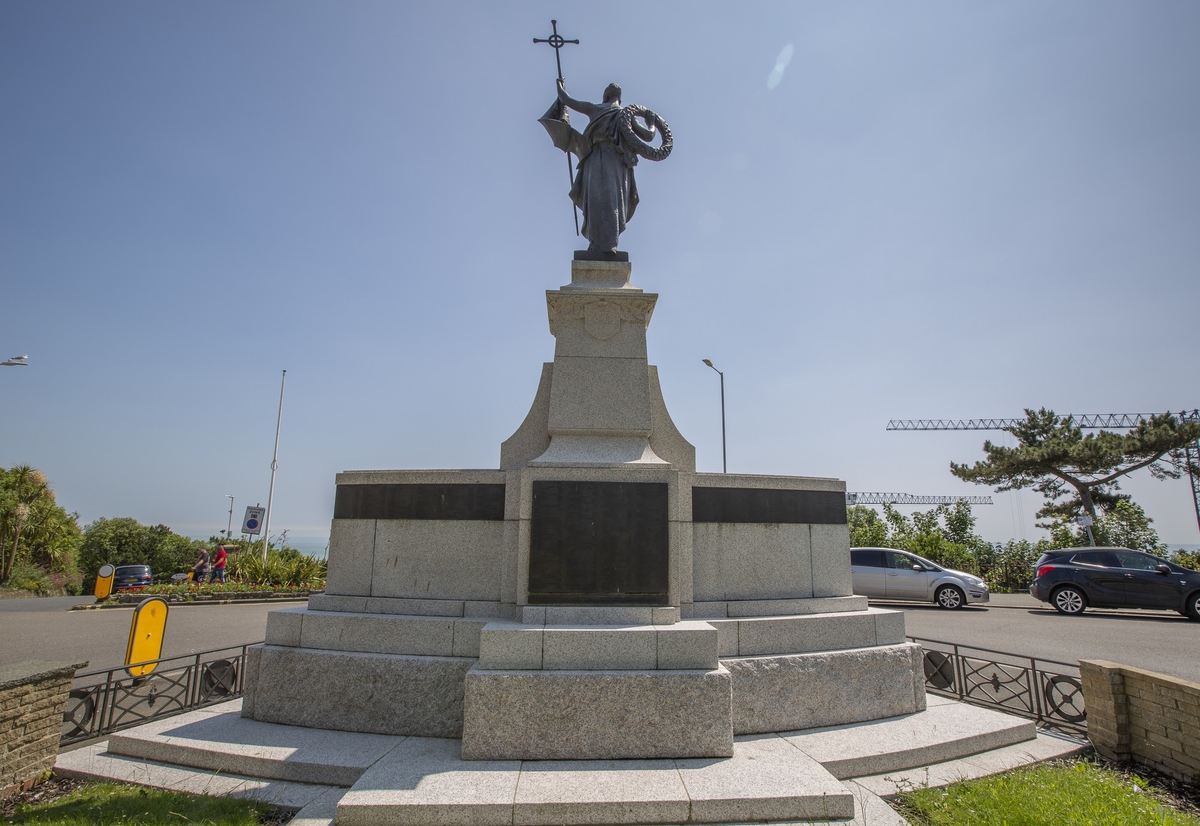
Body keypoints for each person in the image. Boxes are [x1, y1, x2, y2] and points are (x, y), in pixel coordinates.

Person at [556, 79, 657, 254]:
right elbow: (649, 136)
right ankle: (607, 244)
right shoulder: (626, 115)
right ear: (620, 99)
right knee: (611, 201)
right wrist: (652, 122)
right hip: (615, 162)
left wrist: (559, 85)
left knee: (599, 200)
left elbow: (566, 99)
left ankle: (601, 244)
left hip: (600, 159)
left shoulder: (595, 109)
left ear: (605, 96)